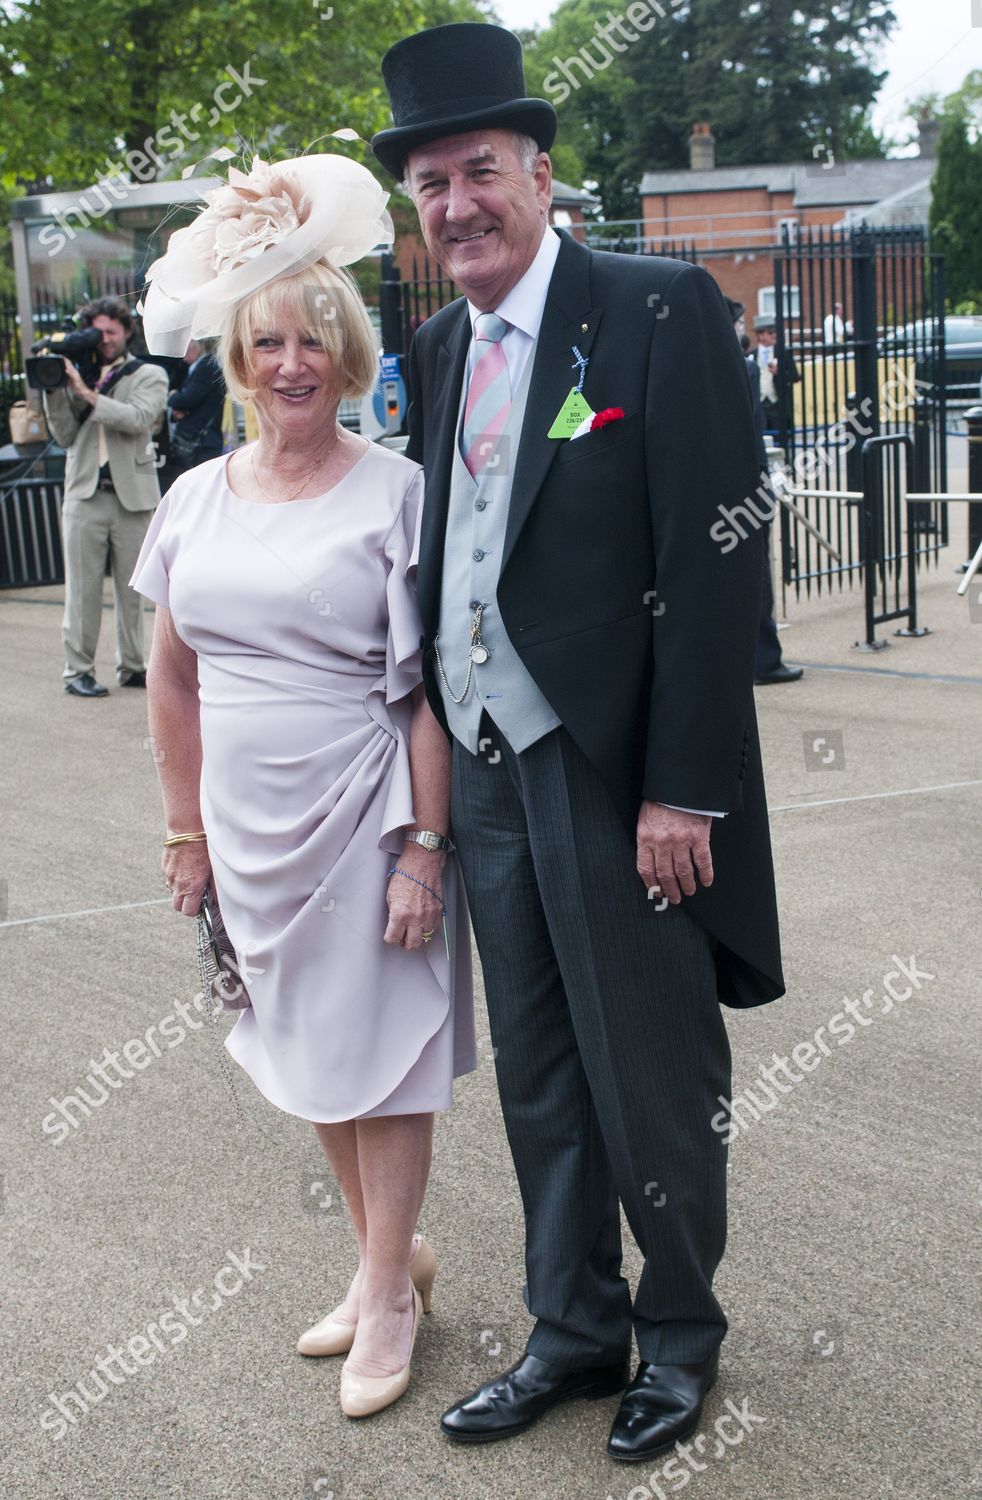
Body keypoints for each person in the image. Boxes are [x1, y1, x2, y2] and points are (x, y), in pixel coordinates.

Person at [374, 23, 784, 1463]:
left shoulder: (657, 311)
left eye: (480, 168)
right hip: (482, 761)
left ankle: (676, 1333)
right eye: (430, 183)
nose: (457, 203)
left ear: (541, 176)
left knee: (647, 1065)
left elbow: (717, 564)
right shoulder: (432, 346)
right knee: (541, 1066)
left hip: (617, 775)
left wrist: (684, 787)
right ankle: (571, 1325)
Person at [130, 152, 476, 1420]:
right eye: (266, 341)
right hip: (245, 830)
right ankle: (394, 1259)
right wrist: (183, 831)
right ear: (237, 358)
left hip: (365, 810)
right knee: (304, 1054)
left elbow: (430, 688)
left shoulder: (403, 495)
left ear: (347, 356)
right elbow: (171, 680)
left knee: (382, 1060)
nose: (290, 364)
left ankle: (387, 1293)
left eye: (312, 341)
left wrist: (427, 847)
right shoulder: (188, 500)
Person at [42, 297, 169, 697]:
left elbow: (138, 419)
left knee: (133, 592)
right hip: (84, 496)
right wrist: (56, 389)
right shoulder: (76, 375)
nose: (105, 340)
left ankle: (133, 666)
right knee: (82, 590)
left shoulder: (149, 374)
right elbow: (63, 436)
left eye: (112, 332)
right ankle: (77, 670)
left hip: (132, 497)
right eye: (97, 333)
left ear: (127, 331)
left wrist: (89, 394)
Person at [725, 297, 802, 686]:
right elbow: (750, 431)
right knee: (757, 581)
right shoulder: (743, 366)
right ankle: (765, 661)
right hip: (744, 490)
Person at [167, 337, 226, 471]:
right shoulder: (197, 367)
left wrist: (172, 396)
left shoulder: (206, 367)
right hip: (198, 441)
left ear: (199, 346)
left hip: (202, 443)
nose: (181, 350)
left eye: (185, 345)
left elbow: (185, 401)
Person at [752, 313, 799, 435]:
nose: (774, 335)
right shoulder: (751, 355)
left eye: (775, 332)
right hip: (759, 406)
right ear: (760, 335)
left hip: (778, 406)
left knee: (781, 442)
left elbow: (795, 377)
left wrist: (780, 372)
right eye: (770, 332)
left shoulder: (783, 353)